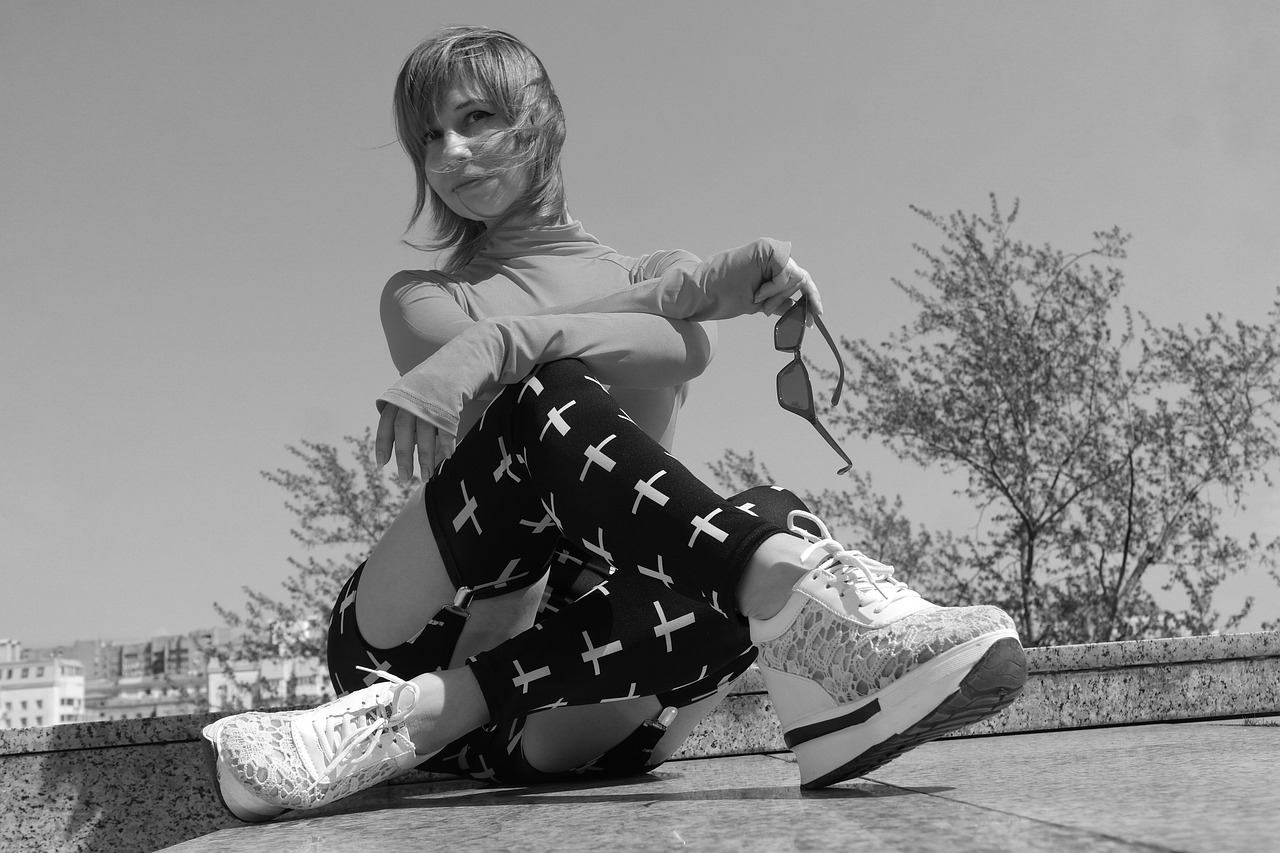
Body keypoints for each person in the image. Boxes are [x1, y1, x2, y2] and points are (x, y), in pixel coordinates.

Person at [202, 26, 1027, 822]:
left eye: (476, 118)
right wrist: (655, 301)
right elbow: (553, 373)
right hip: (414, 633)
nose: (448, 152)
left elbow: (678, 353)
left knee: (771, 513)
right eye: (429, 136)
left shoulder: (653, 272)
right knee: (551, 399)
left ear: (541, 121)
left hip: (569, 679)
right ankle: (794, 601)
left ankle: (442, 711)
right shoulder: (424, 296)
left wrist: (514, 336)